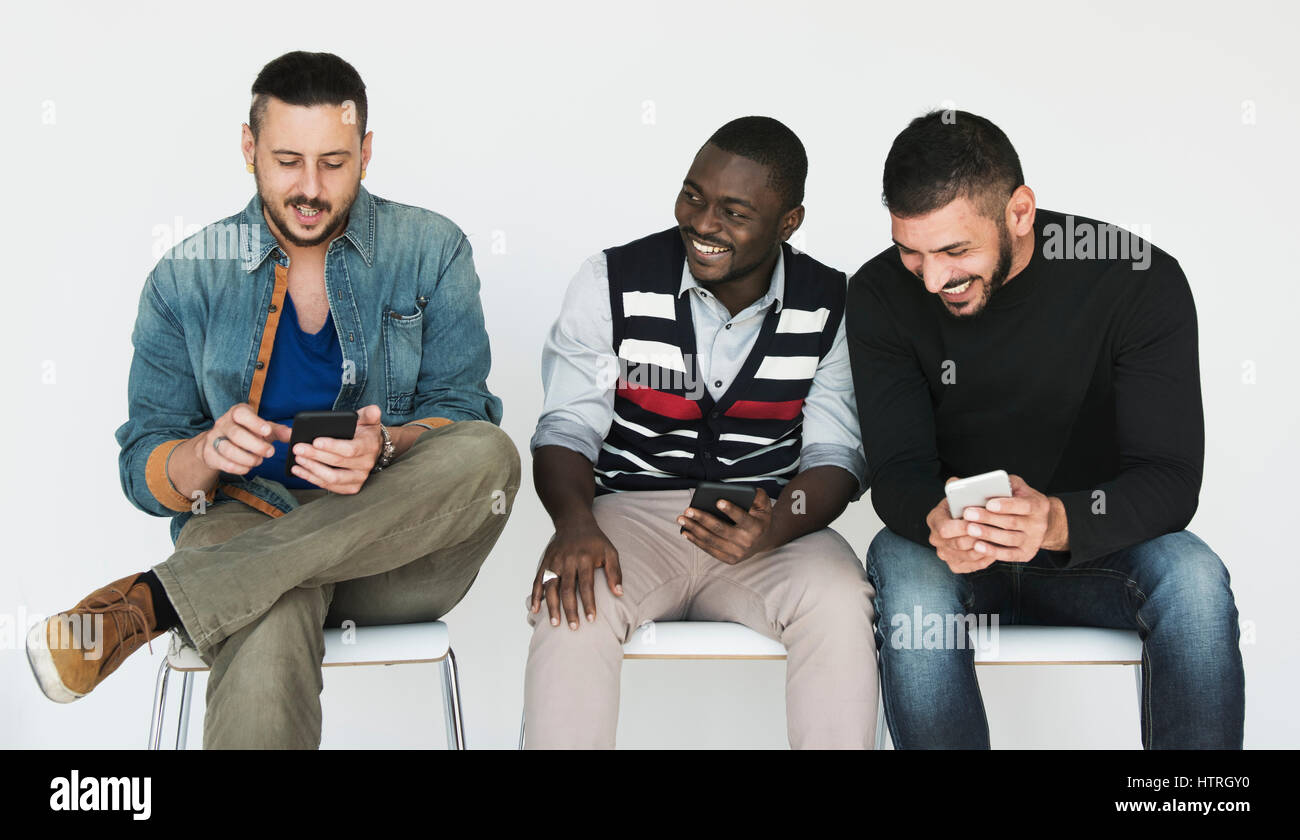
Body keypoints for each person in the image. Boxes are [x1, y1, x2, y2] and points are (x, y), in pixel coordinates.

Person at [27, 51, 519, 748]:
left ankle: (157, 602)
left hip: (393, 551)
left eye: (333, 163)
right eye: (288, 161)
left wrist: (385, 444)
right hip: (242, 522)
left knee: (490, 454)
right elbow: (143, 467)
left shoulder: (432, 249)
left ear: (366, 154)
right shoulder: (184, 278)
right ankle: (223, 584)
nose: (310, 188)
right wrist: (206, 452)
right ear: (248, 148)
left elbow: (462, 415)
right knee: (270, 601)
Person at [846, 109, 1245, 749]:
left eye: (955, 251)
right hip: (955, 562)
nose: (933, 279)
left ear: (1020, 212)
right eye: (910, 251)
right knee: (905, 571)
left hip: (1097, 558)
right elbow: (896, 472)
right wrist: (936, 519)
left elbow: (1170, 480)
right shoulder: (879, 292)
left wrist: (1055, 521)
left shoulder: (1137, 280)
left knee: (1194, 580)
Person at [523, 116, 877, 749]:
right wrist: (575, 525)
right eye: (693, 196)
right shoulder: (611, 280)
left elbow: (837, 457)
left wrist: (776, 526)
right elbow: (566, 429)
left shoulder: (831, 304)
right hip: (628, 519)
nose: (704, 223)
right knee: (571, 597)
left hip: (771, 522)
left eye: (734, 213)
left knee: (841, 600)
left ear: (789, 222)